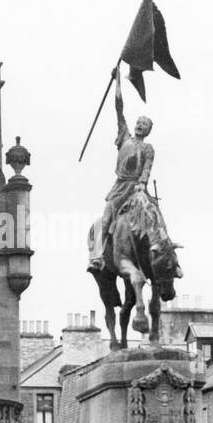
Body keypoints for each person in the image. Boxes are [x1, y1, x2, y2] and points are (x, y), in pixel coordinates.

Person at [87, 67, 160, 273]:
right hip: (120, 187)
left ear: (148, 131)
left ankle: (163, 252)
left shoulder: (148, 148)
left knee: (154, 215)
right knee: (108, 214)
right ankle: (99, 256)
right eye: (138, 122)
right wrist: (117, 81)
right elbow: (119, 107)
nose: (139, 125)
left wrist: (142, 184)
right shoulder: (125, 137)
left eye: (144, 125)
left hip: (137, 188)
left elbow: (146, 169)